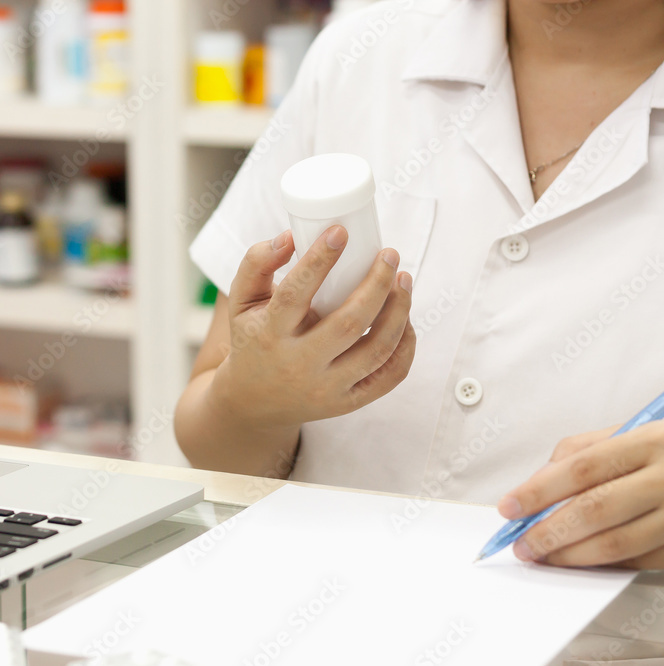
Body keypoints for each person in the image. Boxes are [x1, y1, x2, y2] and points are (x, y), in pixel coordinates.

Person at [176, 0, 664, 589]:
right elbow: (213, 450)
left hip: (597, 630)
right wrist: (250, 402)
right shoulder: (361, 55)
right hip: (318, 606)